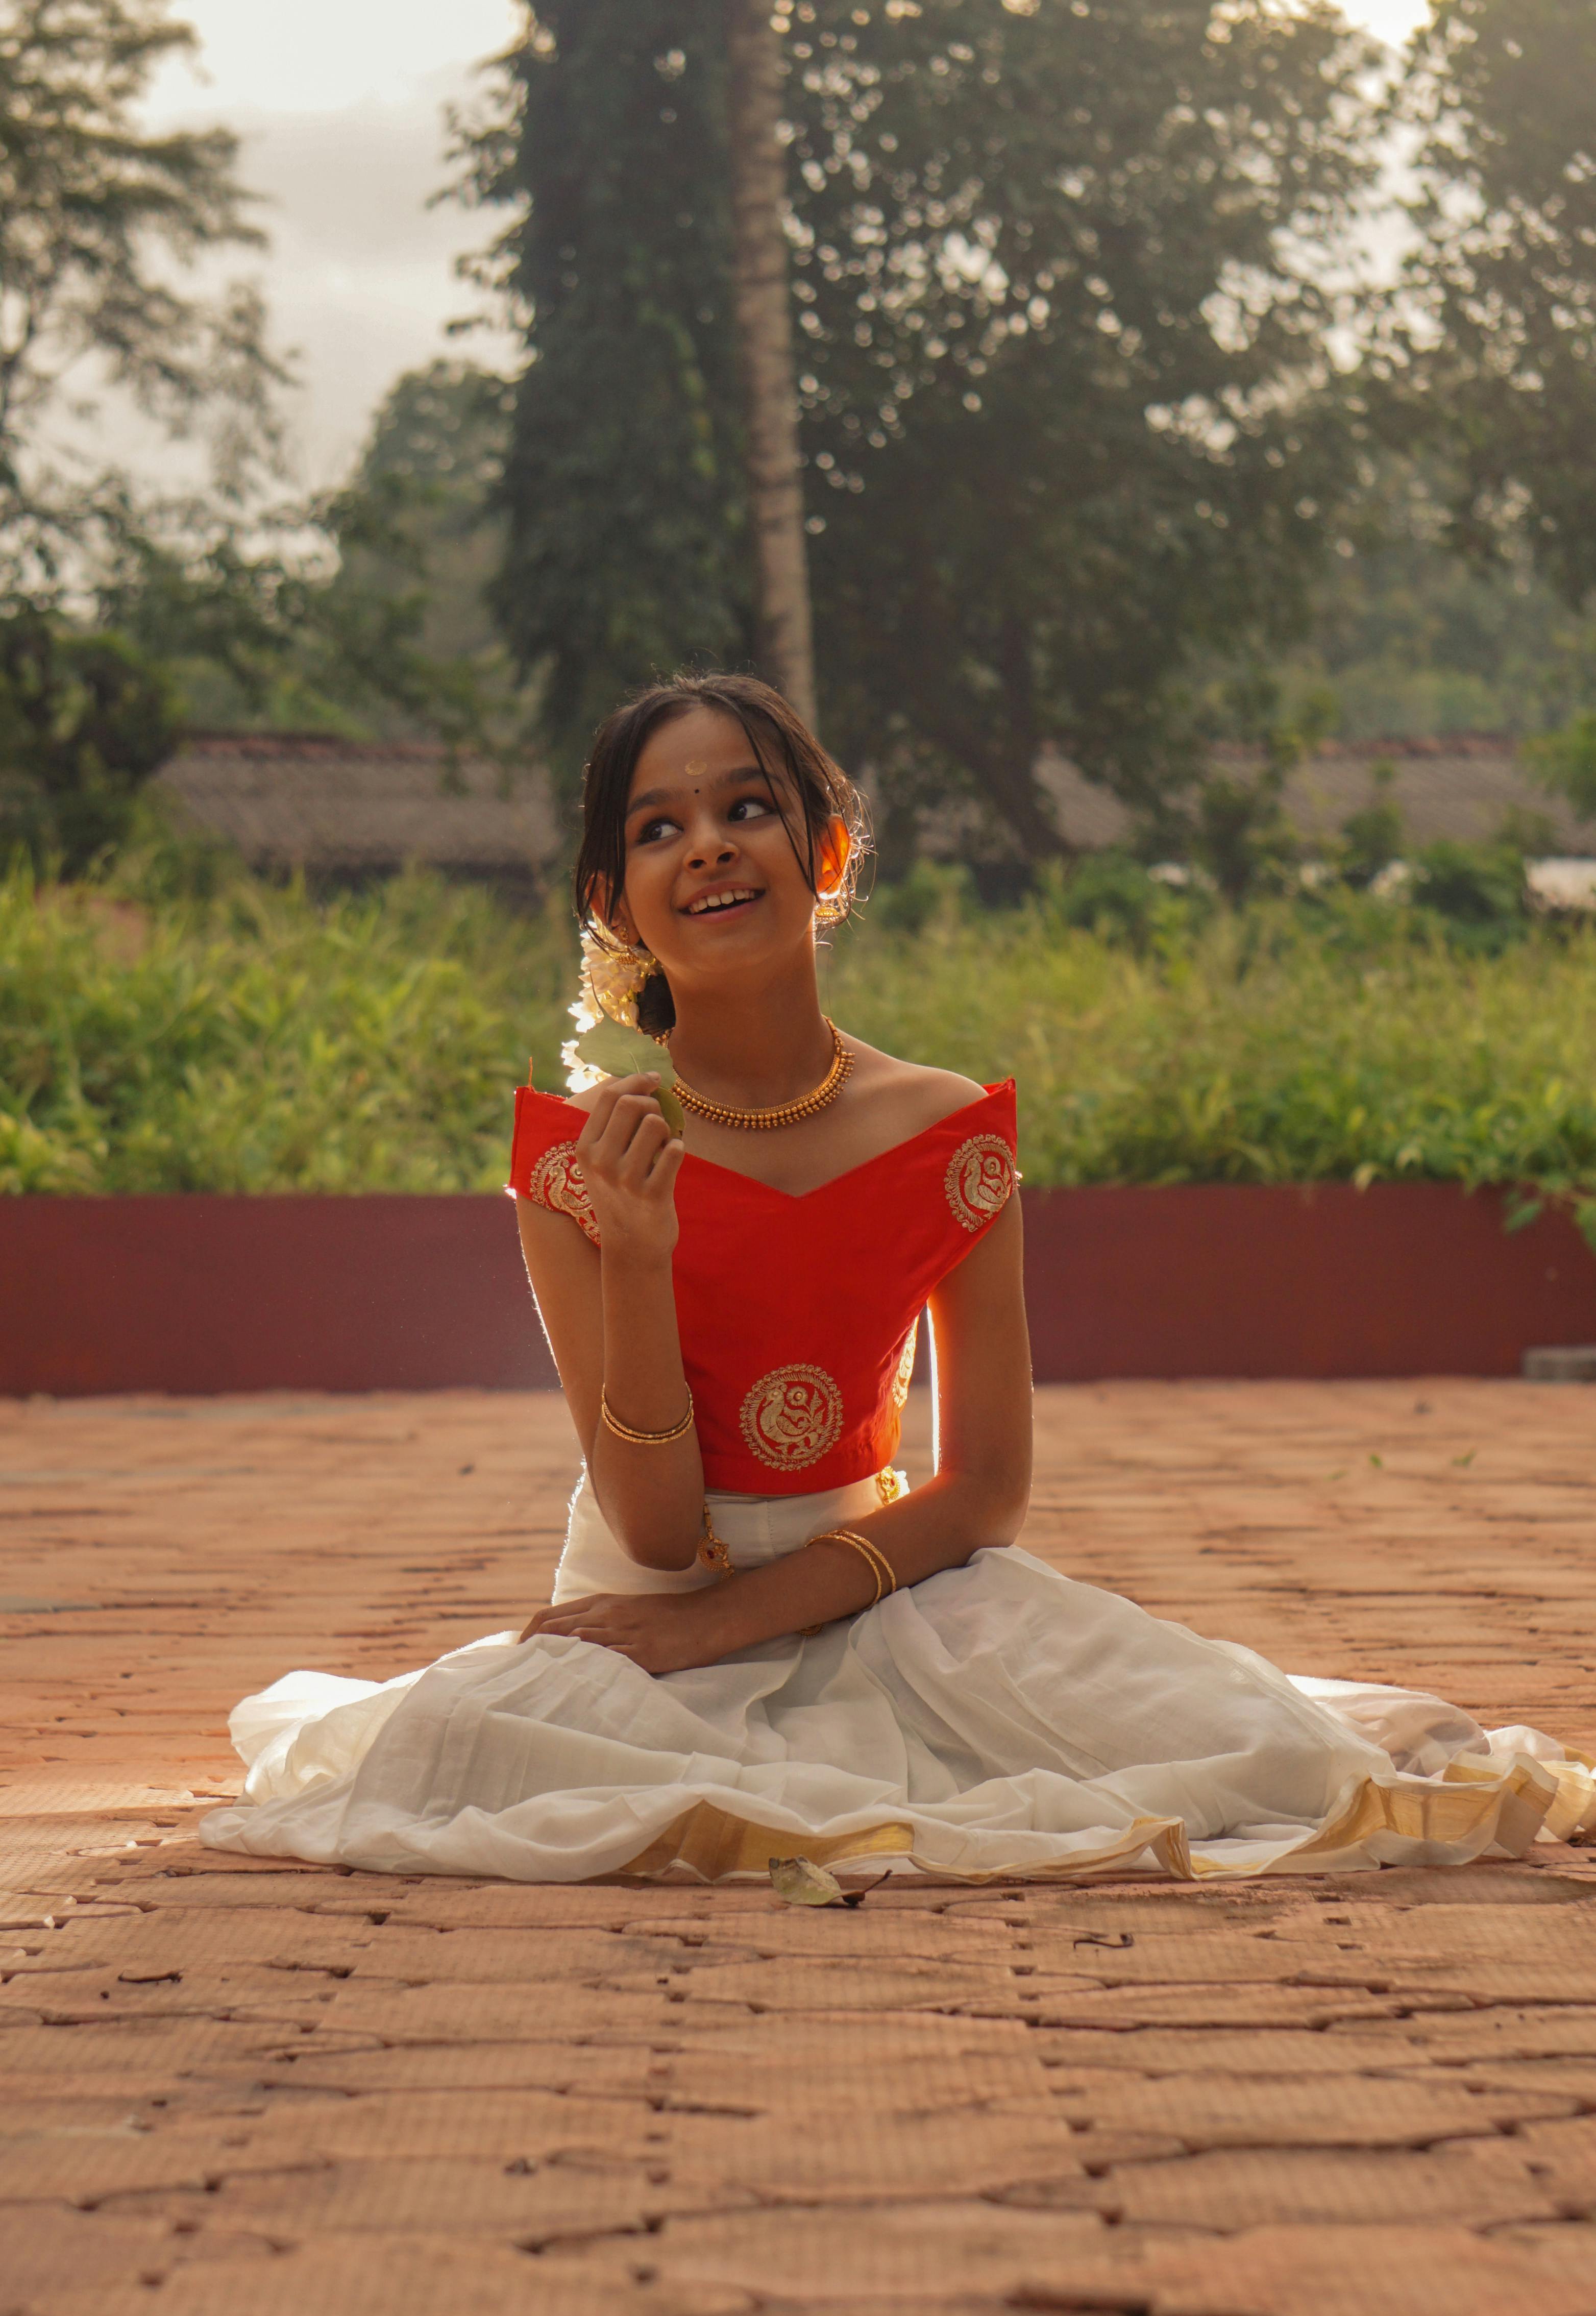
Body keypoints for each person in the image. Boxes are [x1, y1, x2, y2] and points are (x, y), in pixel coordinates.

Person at [200, 675, 1593, 1884]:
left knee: (1253, 1755)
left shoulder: (947, 1139)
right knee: (470, 1764)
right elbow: (658, 1530)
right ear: (609, 902)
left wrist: (765, 1610)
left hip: (894, 1589)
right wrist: (640, 1258)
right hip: (644, 1607)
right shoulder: (583, 1163)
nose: (707, 848)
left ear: (828, 847)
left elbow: (986, 1488)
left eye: (745, 808)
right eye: (655, 828)